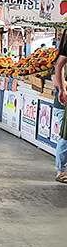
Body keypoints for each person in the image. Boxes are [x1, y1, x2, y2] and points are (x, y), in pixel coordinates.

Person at [53, 30, 67, 181]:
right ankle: (60, 171)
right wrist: (63, 89)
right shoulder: (61, 61)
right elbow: (57, 82)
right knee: (65, 137)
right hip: (63, 105)